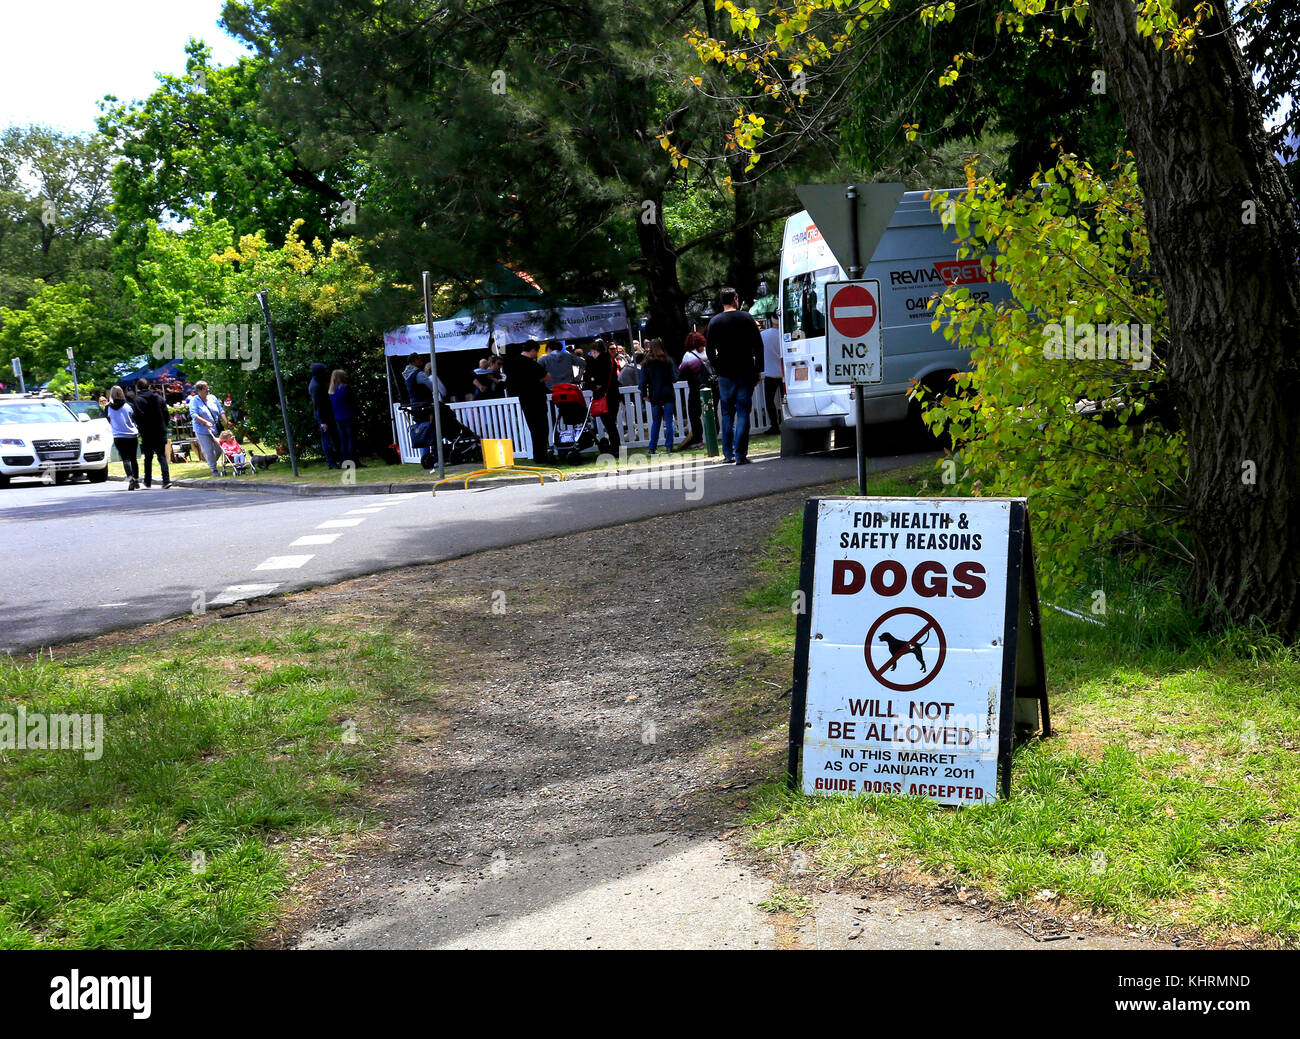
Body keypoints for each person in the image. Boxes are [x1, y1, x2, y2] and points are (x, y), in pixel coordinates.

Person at [705, 287, 765, 464]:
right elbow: (757, 345)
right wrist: (758, 369)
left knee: (727, 413)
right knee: (743, 411)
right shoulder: (746, 318)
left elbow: (709, 350)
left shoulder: (715, 322)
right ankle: (740, 454)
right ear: (735, 299)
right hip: (746, 370)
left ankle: (728, 453)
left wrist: (718, 367)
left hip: (725, 373)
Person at [502, 342, 551, 462]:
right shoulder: (531, 363)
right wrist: (538, 380)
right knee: (542, 428)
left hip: (524, 398)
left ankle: (538, 455)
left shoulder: (513, 362)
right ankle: (542, 455)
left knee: (533, 427)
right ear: (533, 350)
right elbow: (548, 376)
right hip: (536, 397)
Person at [582, 338, 621, 456]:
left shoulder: (598, 362)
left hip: (604, 396)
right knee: (611, 424)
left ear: (595, 351)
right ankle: (615, 447)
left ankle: (615, 449)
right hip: (612, 395)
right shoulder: (610, 360)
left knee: (609, 424)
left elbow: (589, 378)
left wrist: (594, 384)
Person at [639, 339, 679, 456]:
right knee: (669, 420)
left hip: (655, 395)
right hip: (668, 393)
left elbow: (642, 382)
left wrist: (644, 395)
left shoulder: (647, 362)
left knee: (656, 421)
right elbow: (674, 378)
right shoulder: (667, 360)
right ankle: (669, 446)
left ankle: (652, 448)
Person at [131, 377, 171, 488]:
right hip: (160, 431)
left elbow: (137, 417)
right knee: (161, 456)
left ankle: (147, 481)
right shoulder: (159, 398)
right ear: (149, 386)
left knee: (148, 458)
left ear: (138, 388)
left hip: (147, 432)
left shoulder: (138, 400)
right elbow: (166, 414)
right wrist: (164, 426)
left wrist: (141, 428)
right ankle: (166, 480)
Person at [677, 332, 710, 449]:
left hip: (696, 388)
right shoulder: (708, 351)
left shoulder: (688, 355)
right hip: (711, 387)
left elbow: (679, 373)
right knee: (712, 413)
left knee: (694, 415)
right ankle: (713, 438)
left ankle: (698, 440)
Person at [106, 385, 140, 490]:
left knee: (125, 459)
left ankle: (130, 480)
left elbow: (108, 420)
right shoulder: (129, 405)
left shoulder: (107, 408)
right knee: (133, 459)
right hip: (131, 434)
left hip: (118, 436)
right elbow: (135, 418)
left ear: (111, 395)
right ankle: (136, 479)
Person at [308, 363, 341, 468]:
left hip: (325, 415)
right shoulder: (316, 386)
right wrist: (323, 421)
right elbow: (318, 404)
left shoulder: (317, 383)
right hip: (324, 416)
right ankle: (331, 462)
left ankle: (336, 460)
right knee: (327, 439)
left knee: (331, 438)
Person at [188, 380, 223, 477]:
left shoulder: (212, 398)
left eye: (207, 387)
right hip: (202, 430)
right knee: (208, 450)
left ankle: (210, 461)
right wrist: (205, 422)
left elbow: (220, 410)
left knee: (219, 448)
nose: (208, 389)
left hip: (215, 428)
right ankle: (213, 469)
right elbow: (194, 414)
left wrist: (226, 421)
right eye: (205, 388)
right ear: (199, 390)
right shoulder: (194, 400)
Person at [329, 369, 359, 465]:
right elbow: (353, 402)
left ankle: (345, 461)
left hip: (338, 417)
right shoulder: (345, 388)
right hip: (349, 415)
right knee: (351, 439)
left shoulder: (331, 391)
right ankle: (354, 461)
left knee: (343, 440)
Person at [760, 317, 783, 434]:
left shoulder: (764, 335)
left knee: (769, 401)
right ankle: (787, 421)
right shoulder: (784, 334)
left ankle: (775, 425)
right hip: (784, 373)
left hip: (770, 373)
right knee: (786, 400)